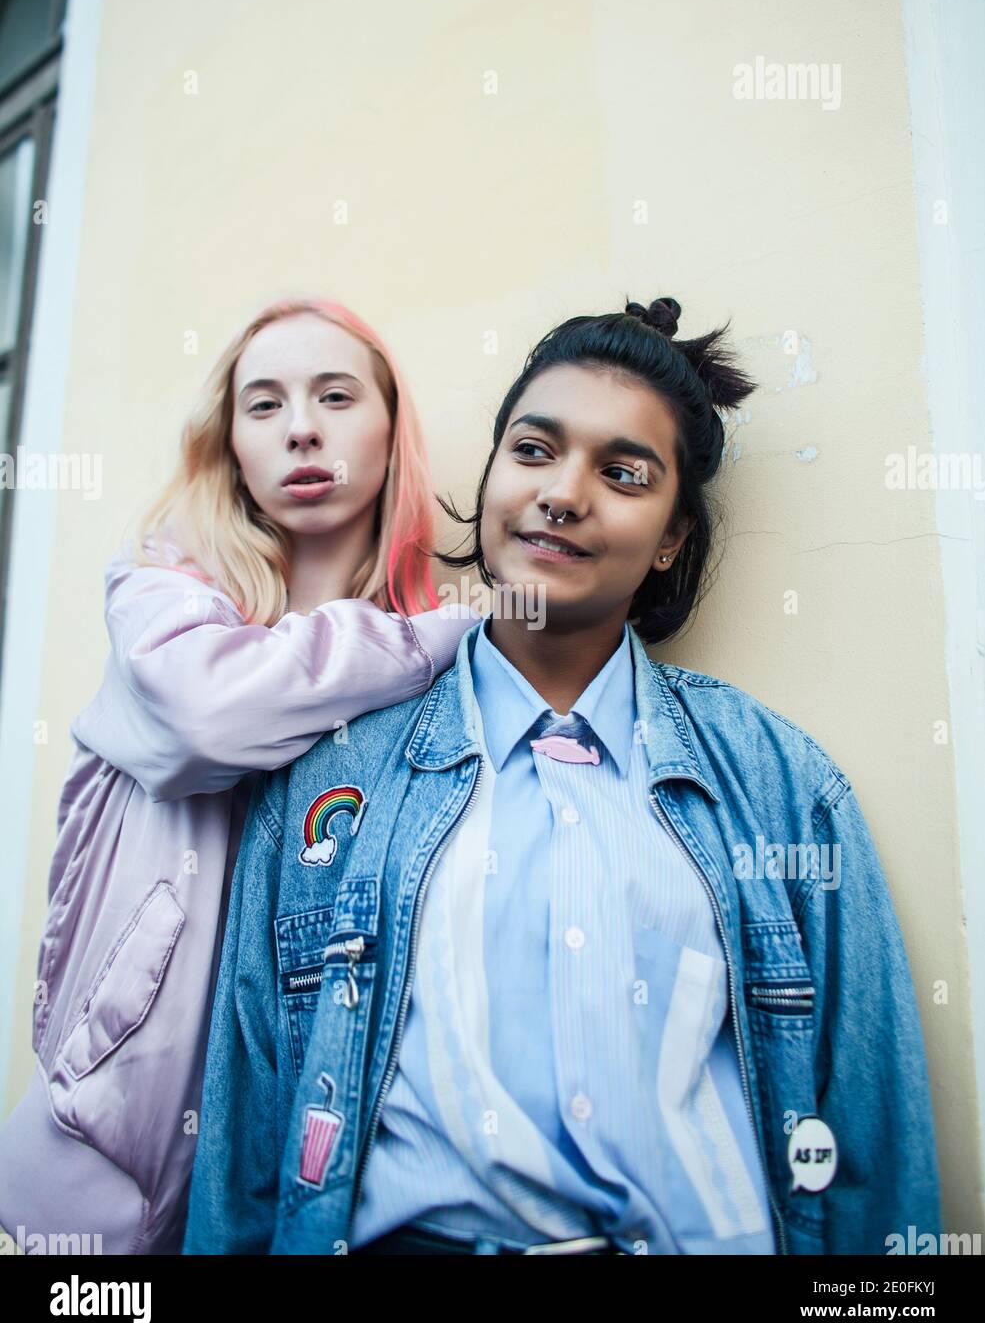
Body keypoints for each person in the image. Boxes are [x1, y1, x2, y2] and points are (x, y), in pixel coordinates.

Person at [182, 296, 941, 1256]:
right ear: (492, 475)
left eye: (623, 473)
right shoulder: (329, 782)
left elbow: (873, 1155)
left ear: (670, 538)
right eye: (533, 451)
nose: (563, 493)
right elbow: (247, 1147)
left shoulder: (782, 787)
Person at [0, 297, 479, 1255]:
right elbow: (207, 712)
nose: (301, 426)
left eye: (335, 396)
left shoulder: (438, 676)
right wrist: (441, 630)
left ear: (394, 430)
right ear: (231, 447)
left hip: (316, 1146)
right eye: (263, 405)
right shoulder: (159, 595)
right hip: (117, 1163)